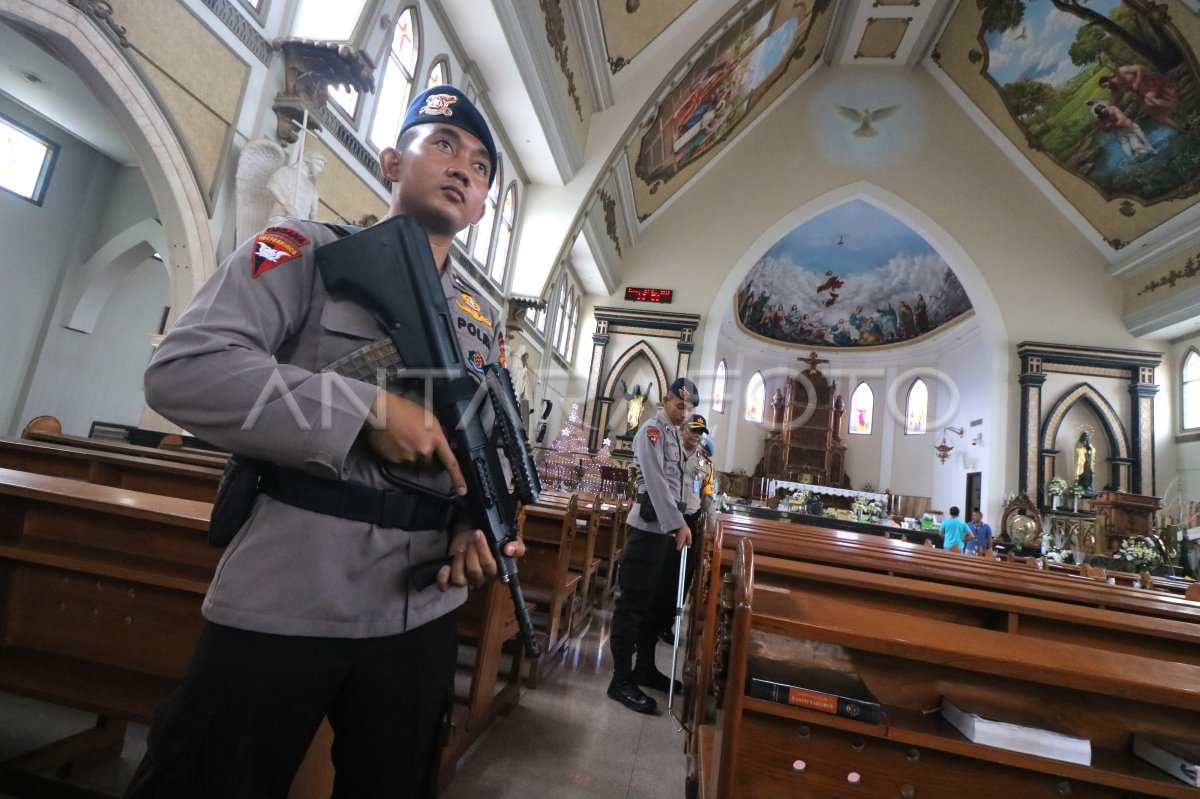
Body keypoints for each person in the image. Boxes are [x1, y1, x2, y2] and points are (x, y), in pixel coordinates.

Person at [125, 85, 524, 799]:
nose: (465, 167)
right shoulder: (300, 251)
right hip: (294, 586)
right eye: (443, 145)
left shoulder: (480, 324)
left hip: (421, 608)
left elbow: (476, 445)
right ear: (392, 159)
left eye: (482, 166)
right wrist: (361, 407)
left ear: (485, 206)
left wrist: (475, 524)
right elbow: (184, 370)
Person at [608, 377, 697, 714]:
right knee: (632, 604)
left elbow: (681, 484)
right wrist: (678, 524)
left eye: (689, 409)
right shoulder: (651, 431)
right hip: (648, 530)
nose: (684, 412)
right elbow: (657, 482)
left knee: (654, 606)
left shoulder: (677, 435)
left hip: (671, 533)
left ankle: (643, 667)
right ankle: (620, 679)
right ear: (666, 399)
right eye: (680, 405)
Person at [266, 150, 325, 223]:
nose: (321, 170)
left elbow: (313, 216)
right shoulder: (286, 171)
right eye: (319, 165)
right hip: (279, 220)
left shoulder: (314, 191)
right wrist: (286, 205)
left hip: (298, 227)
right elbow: (272, 186)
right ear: (309, 161)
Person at [1075, 431, 1095, 496]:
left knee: (1088, 475)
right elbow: (1077, 451)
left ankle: (1087, 487)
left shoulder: (1089, 446)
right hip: (1082, 464)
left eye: (1087, 437)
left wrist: (1090, 449)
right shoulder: (1079, 444)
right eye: (1085, 437)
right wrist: (1083, 448)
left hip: (1088, 464)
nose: (1086, 438)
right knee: (1083, 475)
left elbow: (1093, 451)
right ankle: (1082, 487)